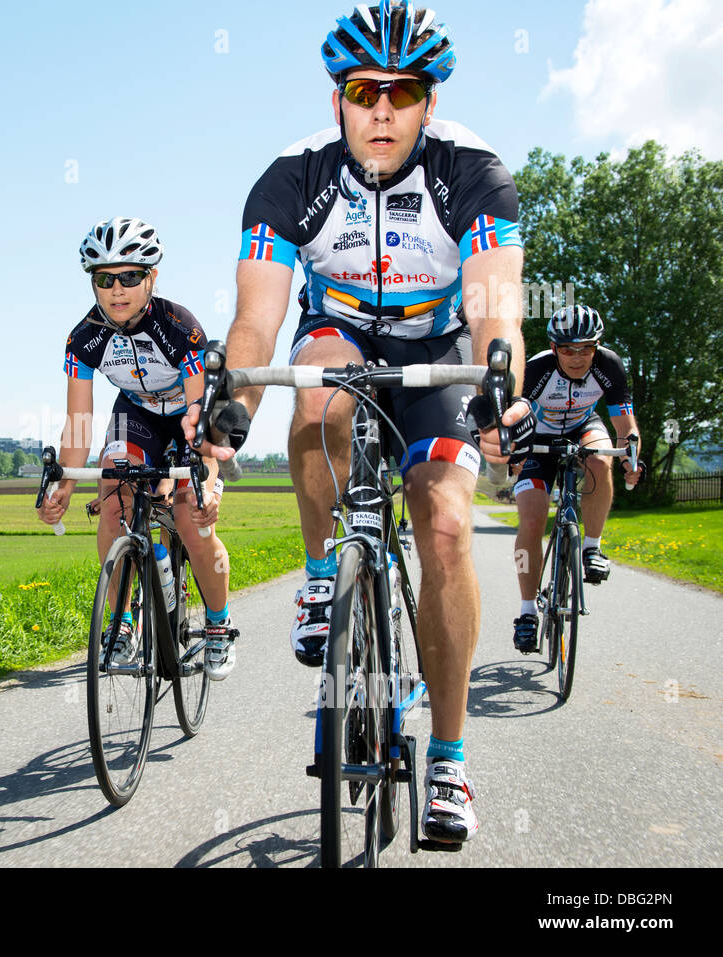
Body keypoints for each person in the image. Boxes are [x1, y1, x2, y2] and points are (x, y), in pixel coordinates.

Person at [186, 1, 531, 843]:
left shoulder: (473, 171)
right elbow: (256, 327)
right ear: (335, 99)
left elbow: (494, 313)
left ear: (429, 102)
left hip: (436, 355)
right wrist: (225, 423)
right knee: (317, 388)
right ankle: (317, 577)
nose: (382, 110)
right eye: (364, 90)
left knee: (447, 526)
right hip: (338, 333)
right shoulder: (289, 180)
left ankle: (448, 757)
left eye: (404, 91)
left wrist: (499, 394)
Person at [37, 218, 237, 679]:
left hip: (193, 415)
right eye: (104, 279)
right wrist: (65, 483)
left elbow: (199, 417)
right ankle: (121, 623)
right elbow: (79, 421)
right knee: (113, 494)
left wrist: (207, 480)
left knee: (191, 519)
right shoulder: (83, 339)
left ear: (152, 277)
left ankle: (219, 621)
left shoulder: (178, 327)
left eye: (129, 276)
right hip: (138, 414)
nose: (116, 289)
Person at [510, 305, 640, 652]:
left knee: (601, 460)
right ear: (554, 348)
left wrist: (632, 458)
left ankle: (592, 548)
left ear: (596, 347)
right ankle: (526, 613)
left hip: (584, 427)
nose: (578, 357)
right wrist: (515, 454)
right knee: (533, 519)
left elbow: (625, 427)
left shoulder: (609, 366)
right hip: (537, 438)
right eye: (568, 349)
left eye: (586, 348)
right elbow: (513, 417)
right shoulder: (536, 368)